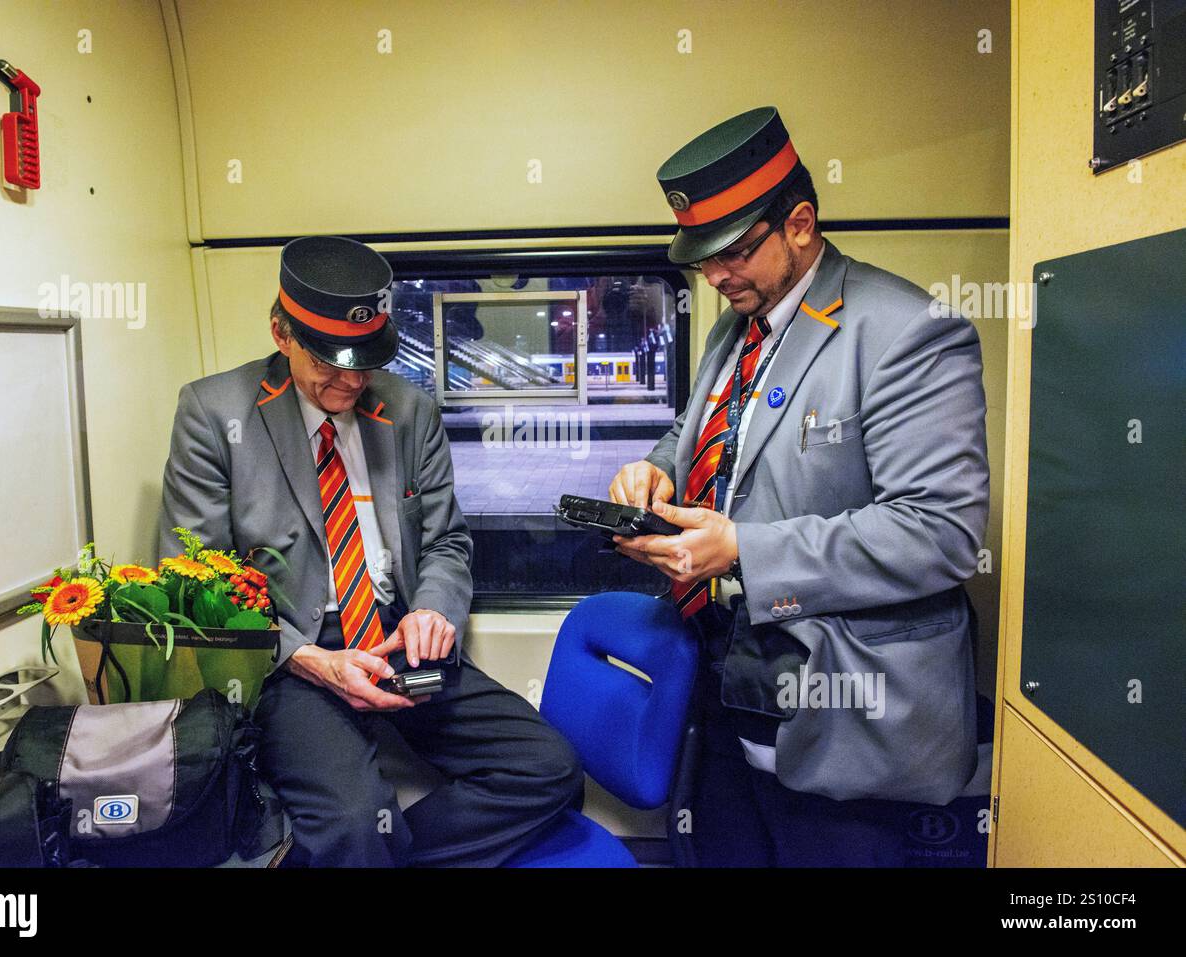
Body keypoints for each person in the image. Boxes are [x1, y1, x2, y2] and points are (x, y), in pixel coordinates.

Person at [608, 107, 989, 866]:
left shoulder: (907, 329)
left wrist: (743, 549)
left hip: (844, 711)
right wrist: (653, 470)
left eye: (735, 254)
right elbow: (700, 439)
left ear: (802, 224)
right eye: (702, 260)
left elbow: (941, 533)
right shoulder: (734, 328)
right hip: (729, 678)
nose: (715, 277)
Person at [159, 235, 580, 866]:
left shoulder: (408, 410)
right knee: (356, 822)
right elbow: (194, 584)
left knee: (549, 769)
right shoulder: (214, 412)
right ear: (282, 333)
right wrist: (311, 660)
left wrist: (433, 610)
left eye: (366, 360)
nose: (353, 380)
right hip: (292, 655)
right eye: (331, 362)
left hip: (396, 638)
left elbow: (444, 540)